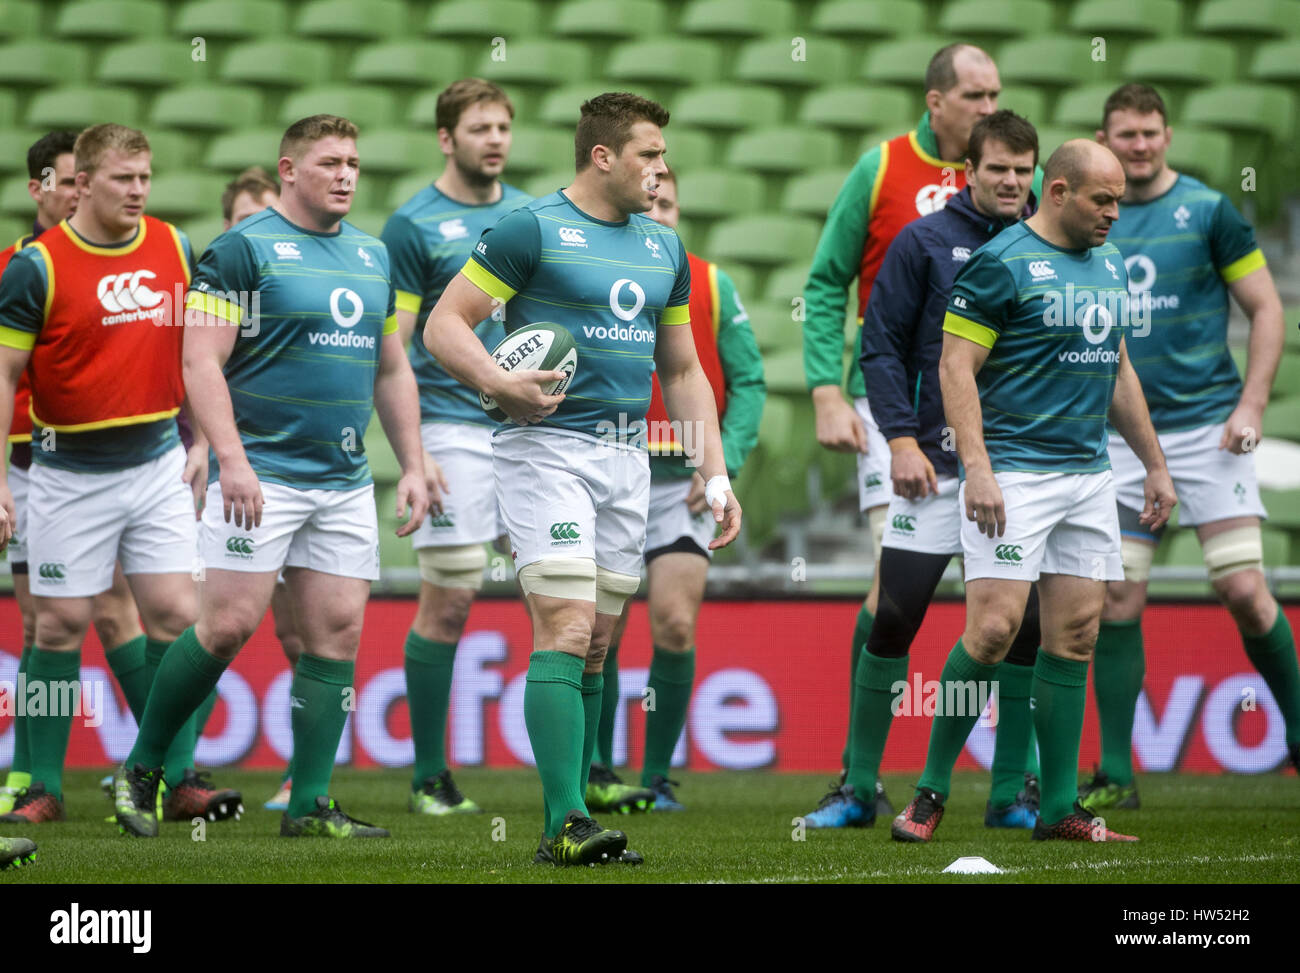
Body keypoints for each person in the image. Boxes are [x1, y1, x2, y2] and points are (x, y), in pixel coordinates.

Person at [424, 92, 741, 866]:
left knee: (598, 642)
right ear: (603, 157)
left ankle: (577, 810)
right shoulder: (531, 228)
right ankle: (563, 821)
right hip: (545, 452)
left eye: (664, 157)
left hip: (628, 458)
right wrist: (499, 383)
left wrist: (717, 469)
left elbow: (683, 367)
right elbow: (443, 324)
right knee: (566, 626)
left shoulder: (663, 250)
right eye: (650, 155)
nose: (663, 170)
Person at [112, 114, 429, 839]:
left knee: (337, 636)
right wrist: (232, 459)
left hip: (344, 477)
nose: (346, 174)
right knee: (225, 626)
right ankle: (144, 765)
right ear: (288, 170)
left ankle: (311, 802)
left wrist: (411, 464)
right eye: (329, 163)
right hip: (263, 472)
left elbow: (390, 367)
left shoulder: (373, 255)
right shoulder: (241, 250)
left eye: (353, 161)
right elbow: (200, 362)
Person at [892, 139, 1177, 842]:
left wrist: (1155, 464)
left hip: (1086, 473)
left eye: (1118, 199)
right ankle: (928, 792)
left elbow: (1118, 370)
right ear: (1057, 193)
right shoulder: (1001, 263)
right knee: (990, 633)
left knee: (1077, 636)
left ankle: (1058, 810)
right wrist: (979, 466)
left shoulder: (1110, 264)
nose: (1116, 212)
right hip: (1014, 470)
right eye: (1101, 200)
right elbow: (956, 367)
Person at [807, 111, 1044, 830]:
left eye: (1022, 169)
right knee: (896, 614)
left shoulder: (1050, 246)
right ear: (967, 170)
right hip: (933, 463)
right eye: (997, 167)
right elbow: (879, 347)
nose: (1010, 181)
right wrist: (901, 439)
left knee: (1020, 628)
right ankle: (857, 785)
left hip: (1022, 470)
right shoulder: (924, 241)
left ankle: (1011, 792)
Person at [0, 125, 229, 826]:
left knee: (178, 617)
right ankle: (40, 782)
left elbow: (196, 354)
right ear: (84, 183)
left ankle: (168, 773)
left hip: (158, 460)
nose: (137, 190)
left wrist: (201, 442)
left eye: (145, 177)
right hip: (65, 470)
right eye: (122, 178)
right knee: (58, 625)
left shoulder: (176, 247)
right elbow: (5, 373)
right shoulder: (34, 267)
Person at [1080, 83, 1298, 809]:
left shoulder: (1207, 210)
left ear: (1167, 136)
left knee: (1242, 588)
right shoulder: (1086, 220)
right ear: (1104, 139)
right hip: (1118, 440)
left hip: (1208, 429)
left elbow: (1266, 308)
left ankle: (1297, 735)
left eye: (1148, 132)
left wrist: (1253, 405)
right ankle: (1116, 772)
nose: (1137, 145)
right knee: (1116, 597)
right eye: (1123, 134)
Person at [587, 166, 764, 813]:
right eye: (648, 203)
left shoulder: (711, 283)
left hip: (678, 488)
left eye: (668, 206)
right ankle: (596, 768)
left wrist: (719, 462)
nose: (657, 213)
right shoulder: (591, 278)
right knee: (598, 632)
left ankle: (655, 775)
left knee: (675, 625)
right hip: (604, 475)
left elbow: (749, 383)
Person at [381, 78, 528, 817]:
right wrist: (416, 452)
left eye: (503, 126)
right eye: (479, 128)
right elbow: (395, 348)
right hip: (452, 425)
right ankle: (429, 777)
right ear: (446, 138)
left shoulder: (532, 214)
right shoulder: (412, 226)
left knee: (570, 592)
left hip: (532, 426)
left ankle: (588, 769)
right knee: (453, 596)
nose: (495, 138)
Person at [214, 165, 306, 814]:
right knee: (210, 627)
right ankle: (168, 767)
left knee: (303, 637)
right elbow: (187, 375)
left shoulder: (297, 293)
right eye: (249, 219)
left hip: (287, 477)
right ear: (229, 225)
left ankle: (303, 780)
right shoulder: (212, 285)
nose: (261, 231)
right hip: (212, 474)